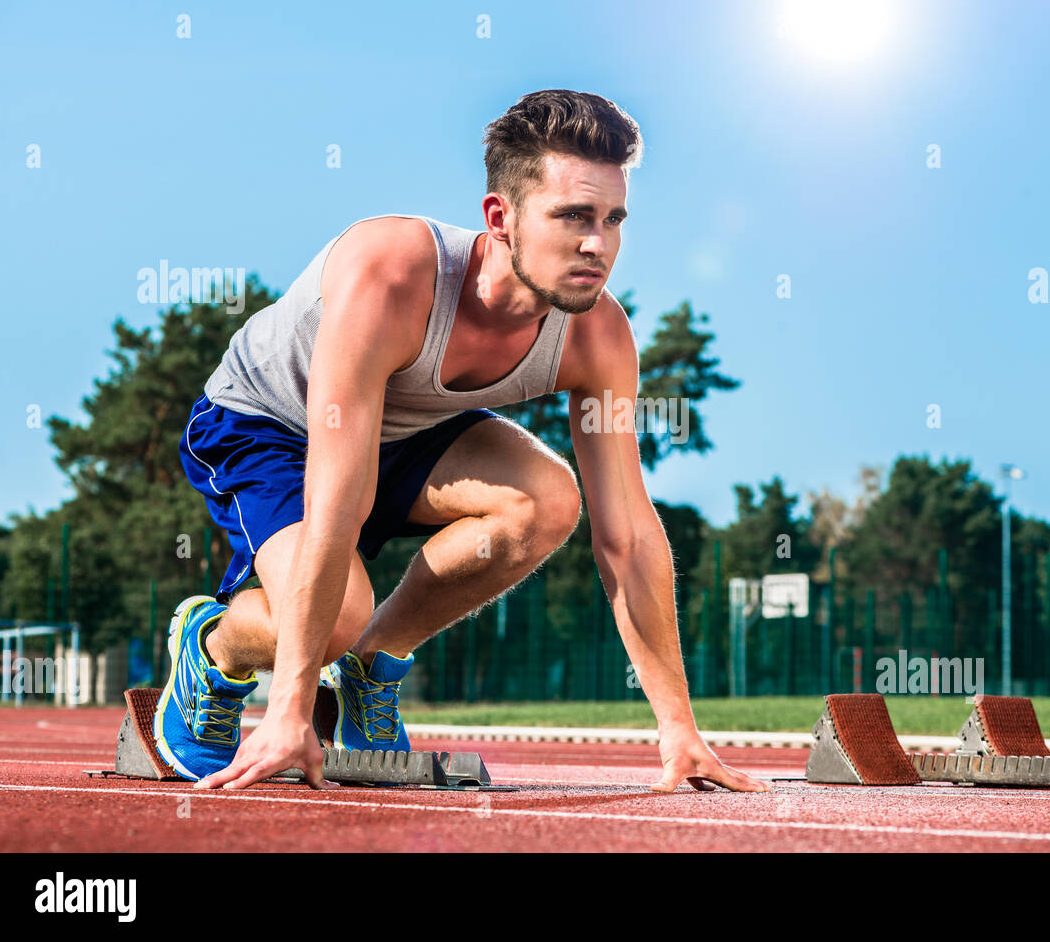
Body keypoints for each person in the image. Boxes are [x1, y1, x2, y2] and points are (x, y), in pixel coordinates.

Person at [159, 89, 771, 795]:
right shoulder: (391, 274)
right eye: (572, 216)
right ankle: (213, 649)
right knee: (332, 615)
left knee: (547, 502)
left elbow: (628, 536)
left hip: (411, 434)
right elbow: (339, 500)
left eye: (611, 219)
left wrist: (680, 732)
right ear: (499, 218)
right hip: (273, 427)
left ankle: (373, 660)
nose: (597, 244)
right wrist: (290, 705)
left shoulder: (599, 336)